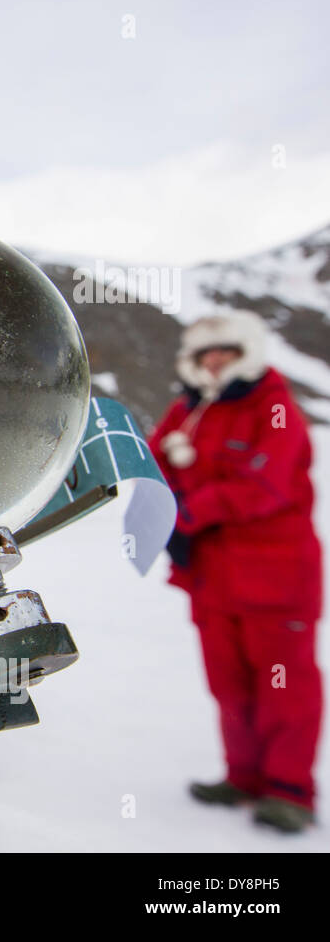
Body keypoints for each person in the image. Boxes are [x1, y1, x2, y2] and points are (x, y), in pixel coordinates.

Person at [150, 310, 323, 834]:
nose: (215, 359)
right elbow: (153, 459)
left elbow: (264, 484)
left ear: (245, 351)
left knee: (283, 684)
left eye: (224, 350)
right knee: (229, 684)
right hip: (213, 578)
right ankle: (244, 776)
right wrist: (163, 502)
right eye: (206, 353)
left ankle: (289, 789)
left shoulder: (274, 408)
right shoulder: (189, 409)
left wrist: (187, 512)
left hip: (275, 578)